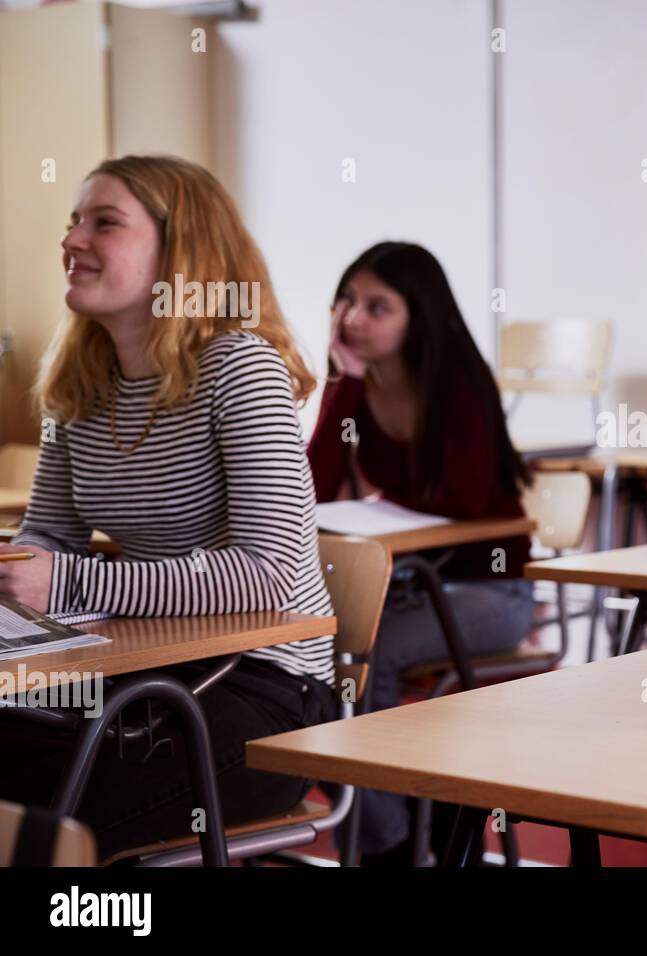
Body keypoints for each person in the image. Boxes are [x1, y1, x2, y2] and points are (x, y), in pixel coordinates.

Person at [0, 155, 335, 859]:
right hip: (148, 675)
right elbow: (48, 537)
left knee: (47, 828)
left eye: (105, 223)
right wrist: (14, 569)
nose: (72, 240)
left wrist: (62, 581)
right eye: (73, 222)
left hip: (267, 694)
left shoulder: (240, 367)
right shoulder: (78, 383)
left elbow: (267, 574)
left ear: (180, 252)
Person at [307, 241, 534, 864]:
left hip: (494, 592)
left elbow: (459, 497)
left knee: (362, 650)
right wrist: (343, 383)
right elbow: (311, 490)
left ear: (419, 317)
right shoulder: (359, 387)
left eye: (378, 306)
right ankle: (400, 830)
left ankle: (389, 846)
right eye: (347, 301)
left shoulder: (460, 383)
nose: (355, 317)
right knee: (308, 648)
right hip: (412, 587)